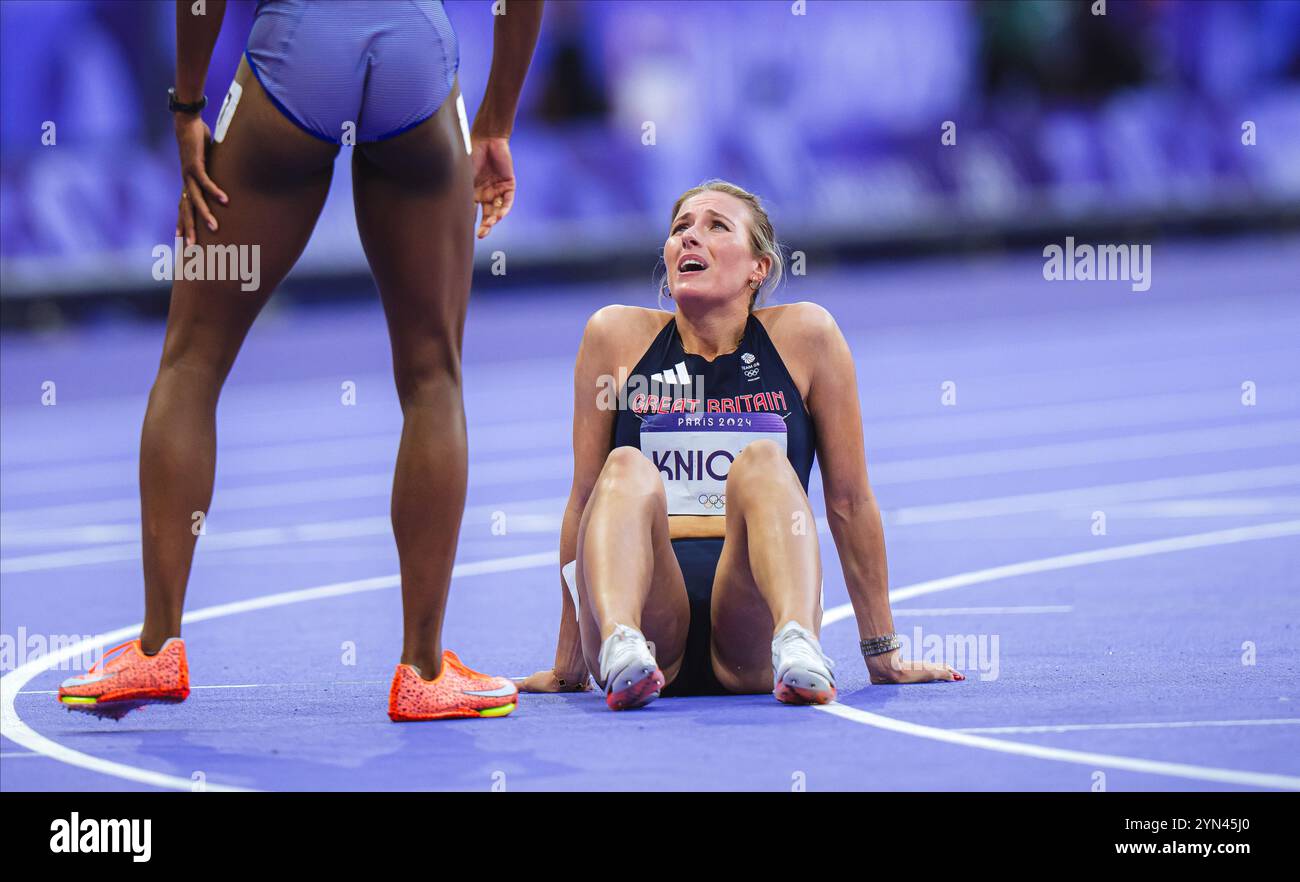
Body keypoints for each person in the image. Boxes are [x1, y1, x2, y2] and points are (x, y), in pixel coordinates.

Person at [58, 0, 544, 722]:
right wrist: (497, 119)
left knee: (192, 364)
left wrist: (188, 104)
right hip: (414, 51)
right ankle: (424, 669)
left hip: (299, 52)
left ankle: (158, 648)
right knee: (432, 377)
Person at [517, 180, 964, 709]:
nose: (690, 238)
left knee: (764, 462)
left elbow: (849, 501)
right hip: (650, 621)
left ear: (759, 268)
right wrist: (570, 665)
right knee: (623, 466)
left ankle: (797, 642)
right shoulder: (614, 338)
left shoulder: (807, 338)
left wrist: (881, 652)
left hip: (751, 624)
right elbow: (584, 502)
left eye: (716, 227)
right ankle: (620, 644)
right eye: (680, 228)